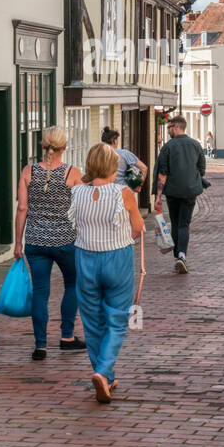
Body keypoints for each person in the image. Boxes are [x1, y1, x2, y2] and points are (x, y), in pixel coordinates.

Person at [69, 142, 145, 404]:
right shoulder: (123, 193)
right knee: (117, 319)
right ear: (114, 167)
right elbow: (138, 227)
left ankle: (106, 376)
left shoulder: (76, 192)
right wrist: (126, 234)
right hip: (117, 258)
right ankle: (103, 373)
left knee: (92, 321)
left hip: (85, 258)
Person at [14, 127, 84, 362]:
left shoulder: (28, 171)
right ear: (65, 147)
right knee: (72, 285)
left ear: (42, 146)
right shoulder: (73, 174)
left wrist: (18, 243)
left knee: (40, 292)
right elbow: (82, 208)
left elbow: (22, 208)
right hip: (66, 241)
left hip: (35, 242)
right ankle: (67, 337)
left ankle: (40, 346)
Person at [154, 114, 206, 274]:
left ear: (176, 127)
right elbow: (201, 169)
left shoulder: (168, 147)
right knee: (184, 224)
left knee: (176, 223)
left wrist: (158, 196)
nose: (168, 130)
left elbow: (163, 174)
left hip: (173, 192)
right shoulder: (196, 145)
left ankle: (178, 257)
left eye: (169, 127)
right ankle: (181, 256)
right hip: (190, 191)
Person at [101, 126, 149, 191]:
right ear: (114, 141)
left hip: (104, 192)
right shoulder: (124, 154)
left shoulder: (97, 156)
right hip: (124, 192)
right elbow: (144, 168)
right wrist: (139, 185)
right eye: (117, 140)